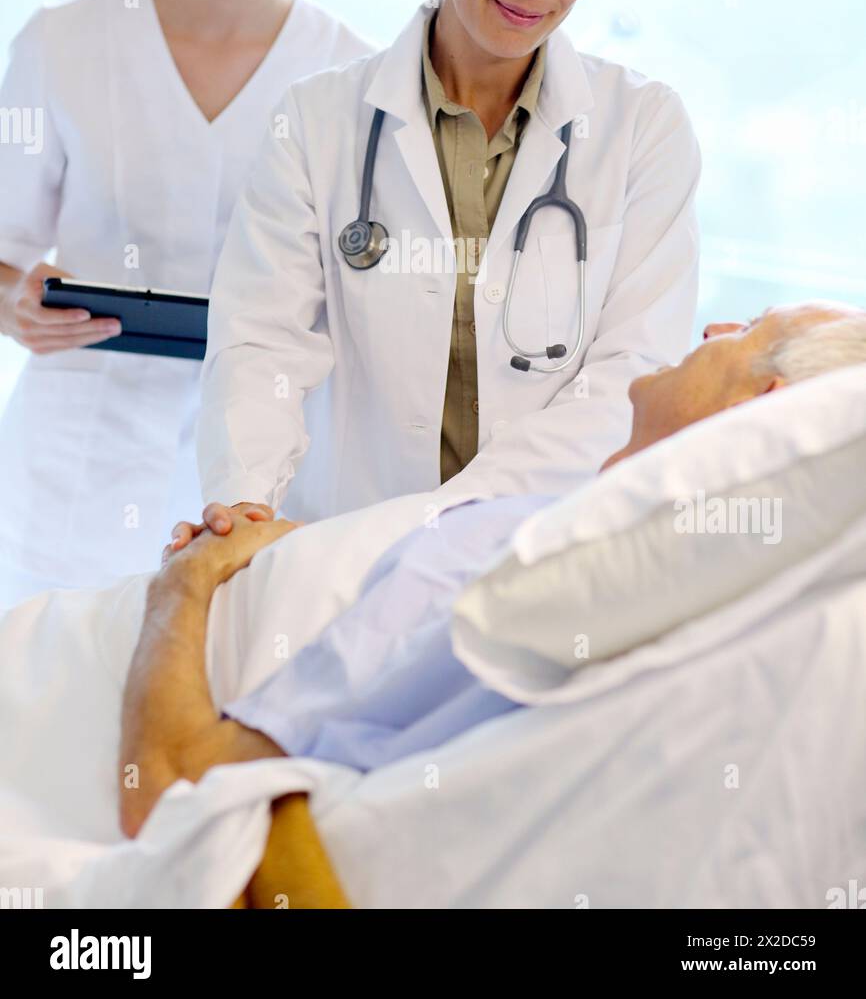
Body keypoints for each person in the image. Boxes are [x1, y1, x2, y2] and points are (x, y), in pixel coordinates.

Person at [120, 300, 866, 906]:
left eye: (752, 327)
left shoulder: (513, 549)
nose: (715, 328)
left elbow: (173, 790)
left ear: (764, 412)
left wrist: (183, 580)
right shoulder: (673, 611)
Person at [183, 0, 702, 551]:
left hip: (541, 549)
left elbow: (630, 376)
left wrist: (439, 530)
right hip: (339, 554)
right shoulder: (319, 123)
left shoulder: (644, 129)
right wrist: (244, 515)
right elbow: (261, 348)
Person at [0, 0, 374, 606]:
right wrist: (20, 302)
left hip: (241, 490)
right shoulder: (65, 44)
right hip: (65, 477)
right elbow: (6, 248)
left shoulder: (353, 78)